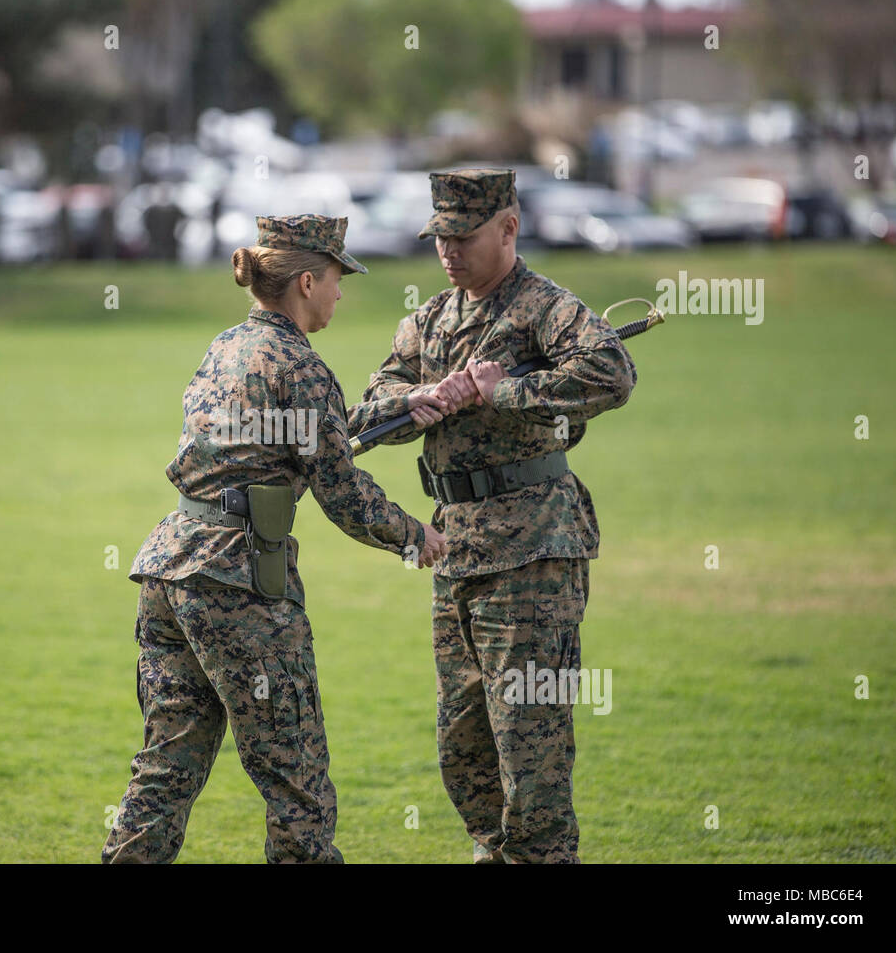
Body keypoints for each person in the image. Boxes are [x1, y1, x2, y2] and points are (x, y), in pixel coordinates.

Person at [103, 214, 447, 864]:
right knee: (298, 784)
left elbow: (289, 440)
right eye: (339, 279)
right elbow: (342, 492)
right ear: (308, 281)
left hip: (170, 568)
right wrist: (415, 536)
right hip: (240, 582)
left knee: (166, 766)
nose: (343, 294)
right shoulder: (301, 365)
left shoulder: (226, 345)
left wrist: (406, 405)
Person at [356, 169, 637, 863]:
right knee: (464, 740)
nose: (447, 251)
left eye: (463, 235)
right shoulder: (429, 320)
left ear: (508, 229)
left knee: (530, 739)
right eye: (439, 237)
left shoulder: (545, 307)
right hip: (456, 549)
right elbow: (366, 414)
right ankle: (494, 848)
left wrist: (504, 390)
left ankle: (540, 854)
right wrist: (416, 398)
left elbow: (612, 373)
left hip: (535, 550)